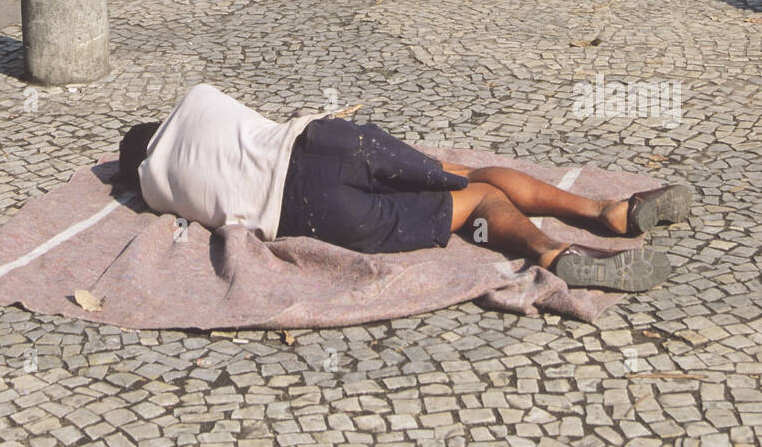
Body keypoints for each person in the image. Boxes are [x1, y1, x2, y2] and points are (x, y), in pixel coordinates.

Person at [118, 84, 692, 292]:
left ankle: (552, 253)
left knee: (472, 207)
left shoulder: (152, 190)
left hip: (312, 214)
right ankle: (606, 211)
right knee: (464, 174)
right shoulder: (195, 99)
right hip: (322, 146)